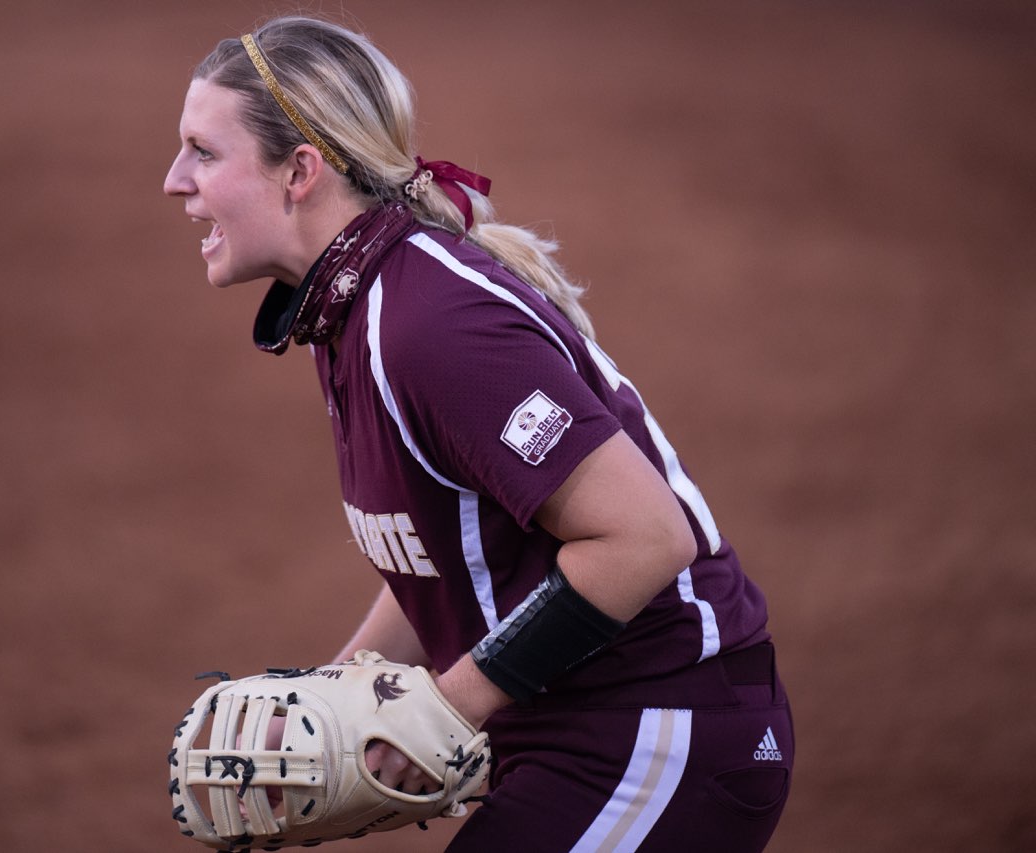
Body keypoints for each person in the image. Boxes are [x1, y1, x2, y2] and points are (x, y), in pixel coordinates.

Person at [164, 15, 793, 852]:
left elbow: (644, 537)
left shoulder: (430, 322)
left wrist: (445, 709)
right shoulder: (352, 306)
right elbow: (448, 548)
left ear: (300, 171)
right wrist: (339, 690)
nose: (176, 180)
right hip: (572, 731)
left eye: (204, 151)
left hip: (664, 728)